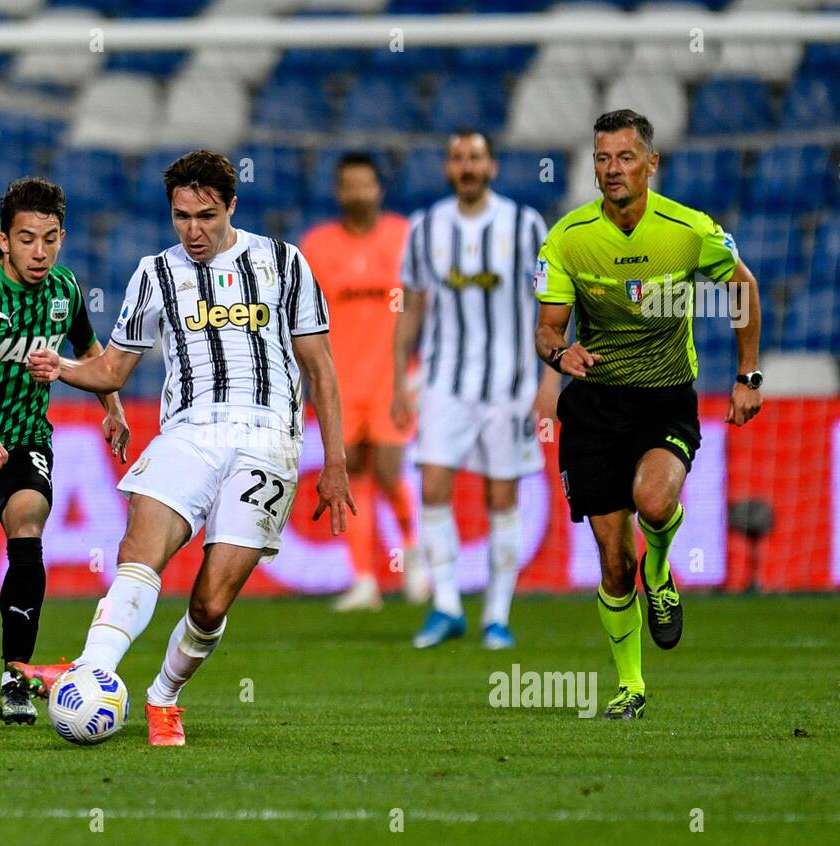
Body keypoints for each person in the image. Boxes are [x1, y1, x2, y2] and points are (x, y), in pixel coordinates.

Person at [17, 149, 353, 747]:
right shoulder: (155, 272)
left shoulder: (282, 262)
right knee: (140, 548)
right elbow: (115, 368)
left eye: (205, 216)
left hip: (267, 440)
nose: (192, 231)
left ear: (231, 206)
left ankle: (163, 696)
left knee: (210, 600)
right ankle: (92, 671)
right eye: (180, 217)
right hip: (189, 431)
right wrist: (63, 367)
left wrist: (334, 463)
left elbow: (320, 369)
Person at [534, 109, 763, 719]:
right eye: (603, 159)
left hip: (664, 398)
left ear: (651, 164)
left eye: (625, 157)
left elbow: (743, 287)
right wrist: (562, 353)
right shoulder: (568, 238)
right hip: (594, 408)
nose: (612, 170)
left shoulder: (688, 231)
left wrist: (747, 376)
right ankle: (631, 686)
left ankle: (660, 574)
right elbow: (547, 330)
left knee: (656, 503)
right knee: (613, 561)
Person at [0, 176, 129, 725]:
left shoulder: (65, 292)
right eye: (27, 238)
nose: (40, 251)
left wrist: (113, 406)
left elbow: (92, 353)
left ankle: (16, 675)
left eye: (50, 238)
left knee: (28, 524)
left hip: (25, 440)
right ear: (3, 240)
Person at [392, 131, 559, 651]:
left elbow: (556, 301)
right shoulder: (424, 228)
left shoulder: (525, 223)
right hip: (444, 382)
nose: (467, 167)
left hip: (510, 385)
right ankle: (445, 606)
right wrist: (400, 377)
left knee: (502, 496)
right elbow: (412, 306)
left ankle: (496, 615)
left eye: (476, 158)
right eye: (458, 158)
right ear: (448, 168)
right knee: (433, 486)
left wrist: (552, 379)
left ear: (492, 166)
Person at [300, 153, 428, 612]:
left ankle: (413, 557)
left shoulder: (402, 237)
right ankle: (364, 580)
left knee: (392, 472)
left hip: (391, 380)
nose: (356, 194)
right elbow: (302, 321)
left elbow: (419, 307)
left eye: (364, 185)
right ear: (338, 192)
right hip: (339, 385)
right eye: (348, 185)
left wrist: (414, 374)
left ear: (379, 189)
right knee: (351, 476)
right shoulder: (317, 245)